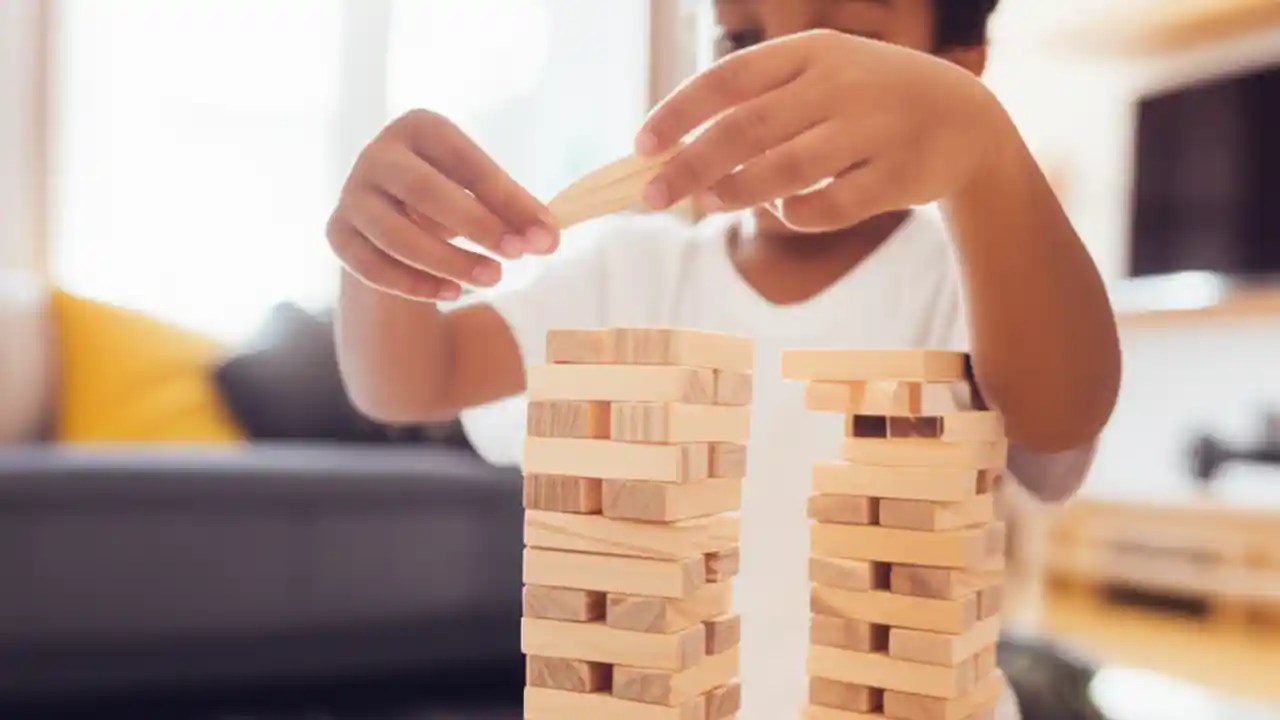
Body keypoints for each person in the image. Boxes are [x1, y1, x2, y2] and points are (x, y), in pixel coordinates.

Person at [326, 0, 1122, 716]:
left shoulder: (976, 273)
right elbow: (408, 380)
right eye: (740, 37)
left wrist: (984, 153)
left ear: (956, 70)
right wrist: (385, 255)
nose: (763, 86)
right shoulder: (633, 274)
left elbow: (1056, 438)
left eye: (846, 39)